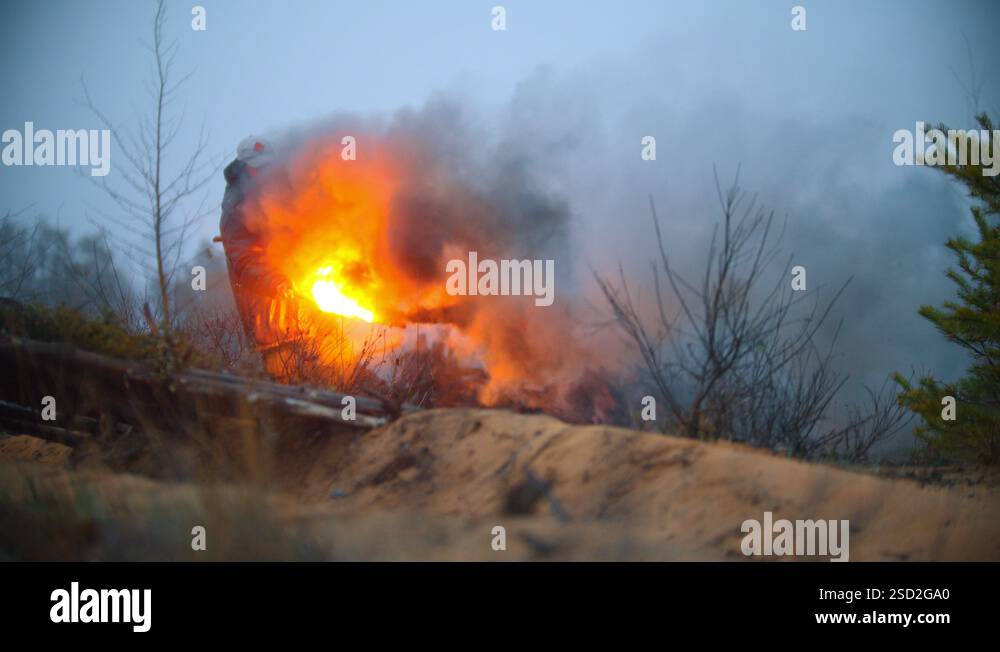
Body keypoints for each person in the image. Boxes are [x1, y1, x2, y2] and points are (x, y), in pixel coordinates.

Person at [218, 136, 302, 376]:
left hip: (300, 315)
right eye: (259, 167)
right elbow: (244, 261)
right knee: (288, 389)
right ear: (245, 167)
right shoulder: (235, 208)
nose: (265, 172)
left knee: (336, 373)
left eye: (268, 165)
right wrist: (276, 283)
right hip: (269, 324)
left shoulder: (281, 191)